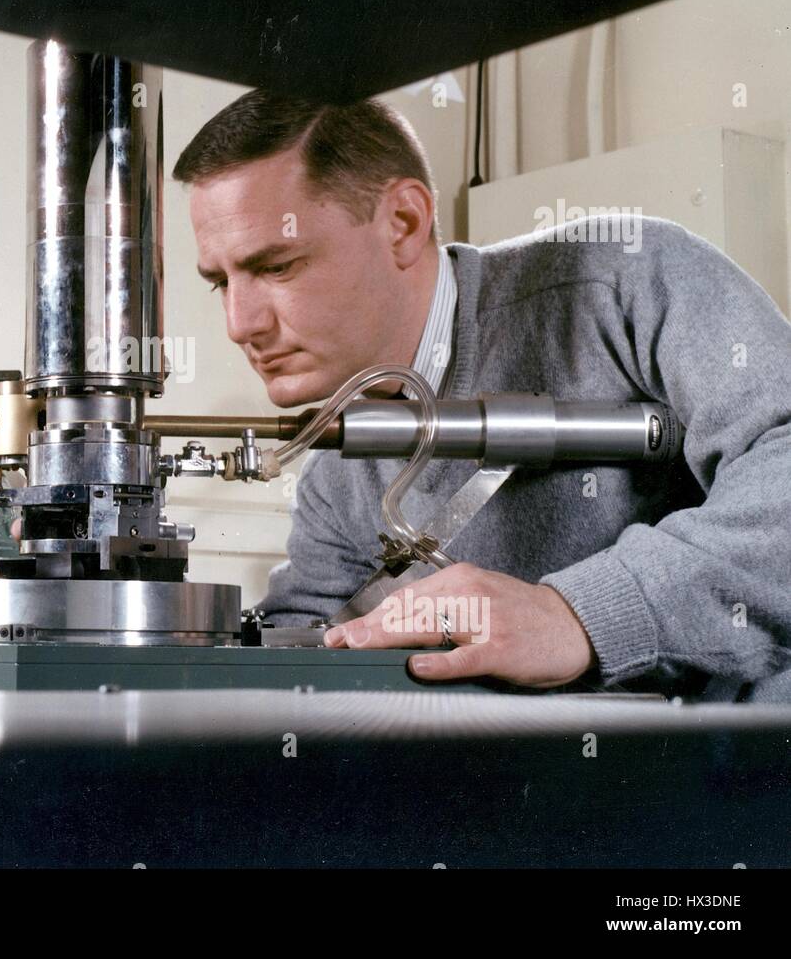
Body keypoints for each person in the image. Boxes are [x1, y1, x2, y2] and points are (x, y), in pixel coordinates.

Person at [174, 90, 791, 700]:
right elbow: (306, 636)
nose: (240, 324)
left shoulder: (622, 279)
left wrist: (575, 614)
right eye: (219, 283)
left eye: (276, 267)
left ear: (403, 223)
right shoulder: (337, 473)